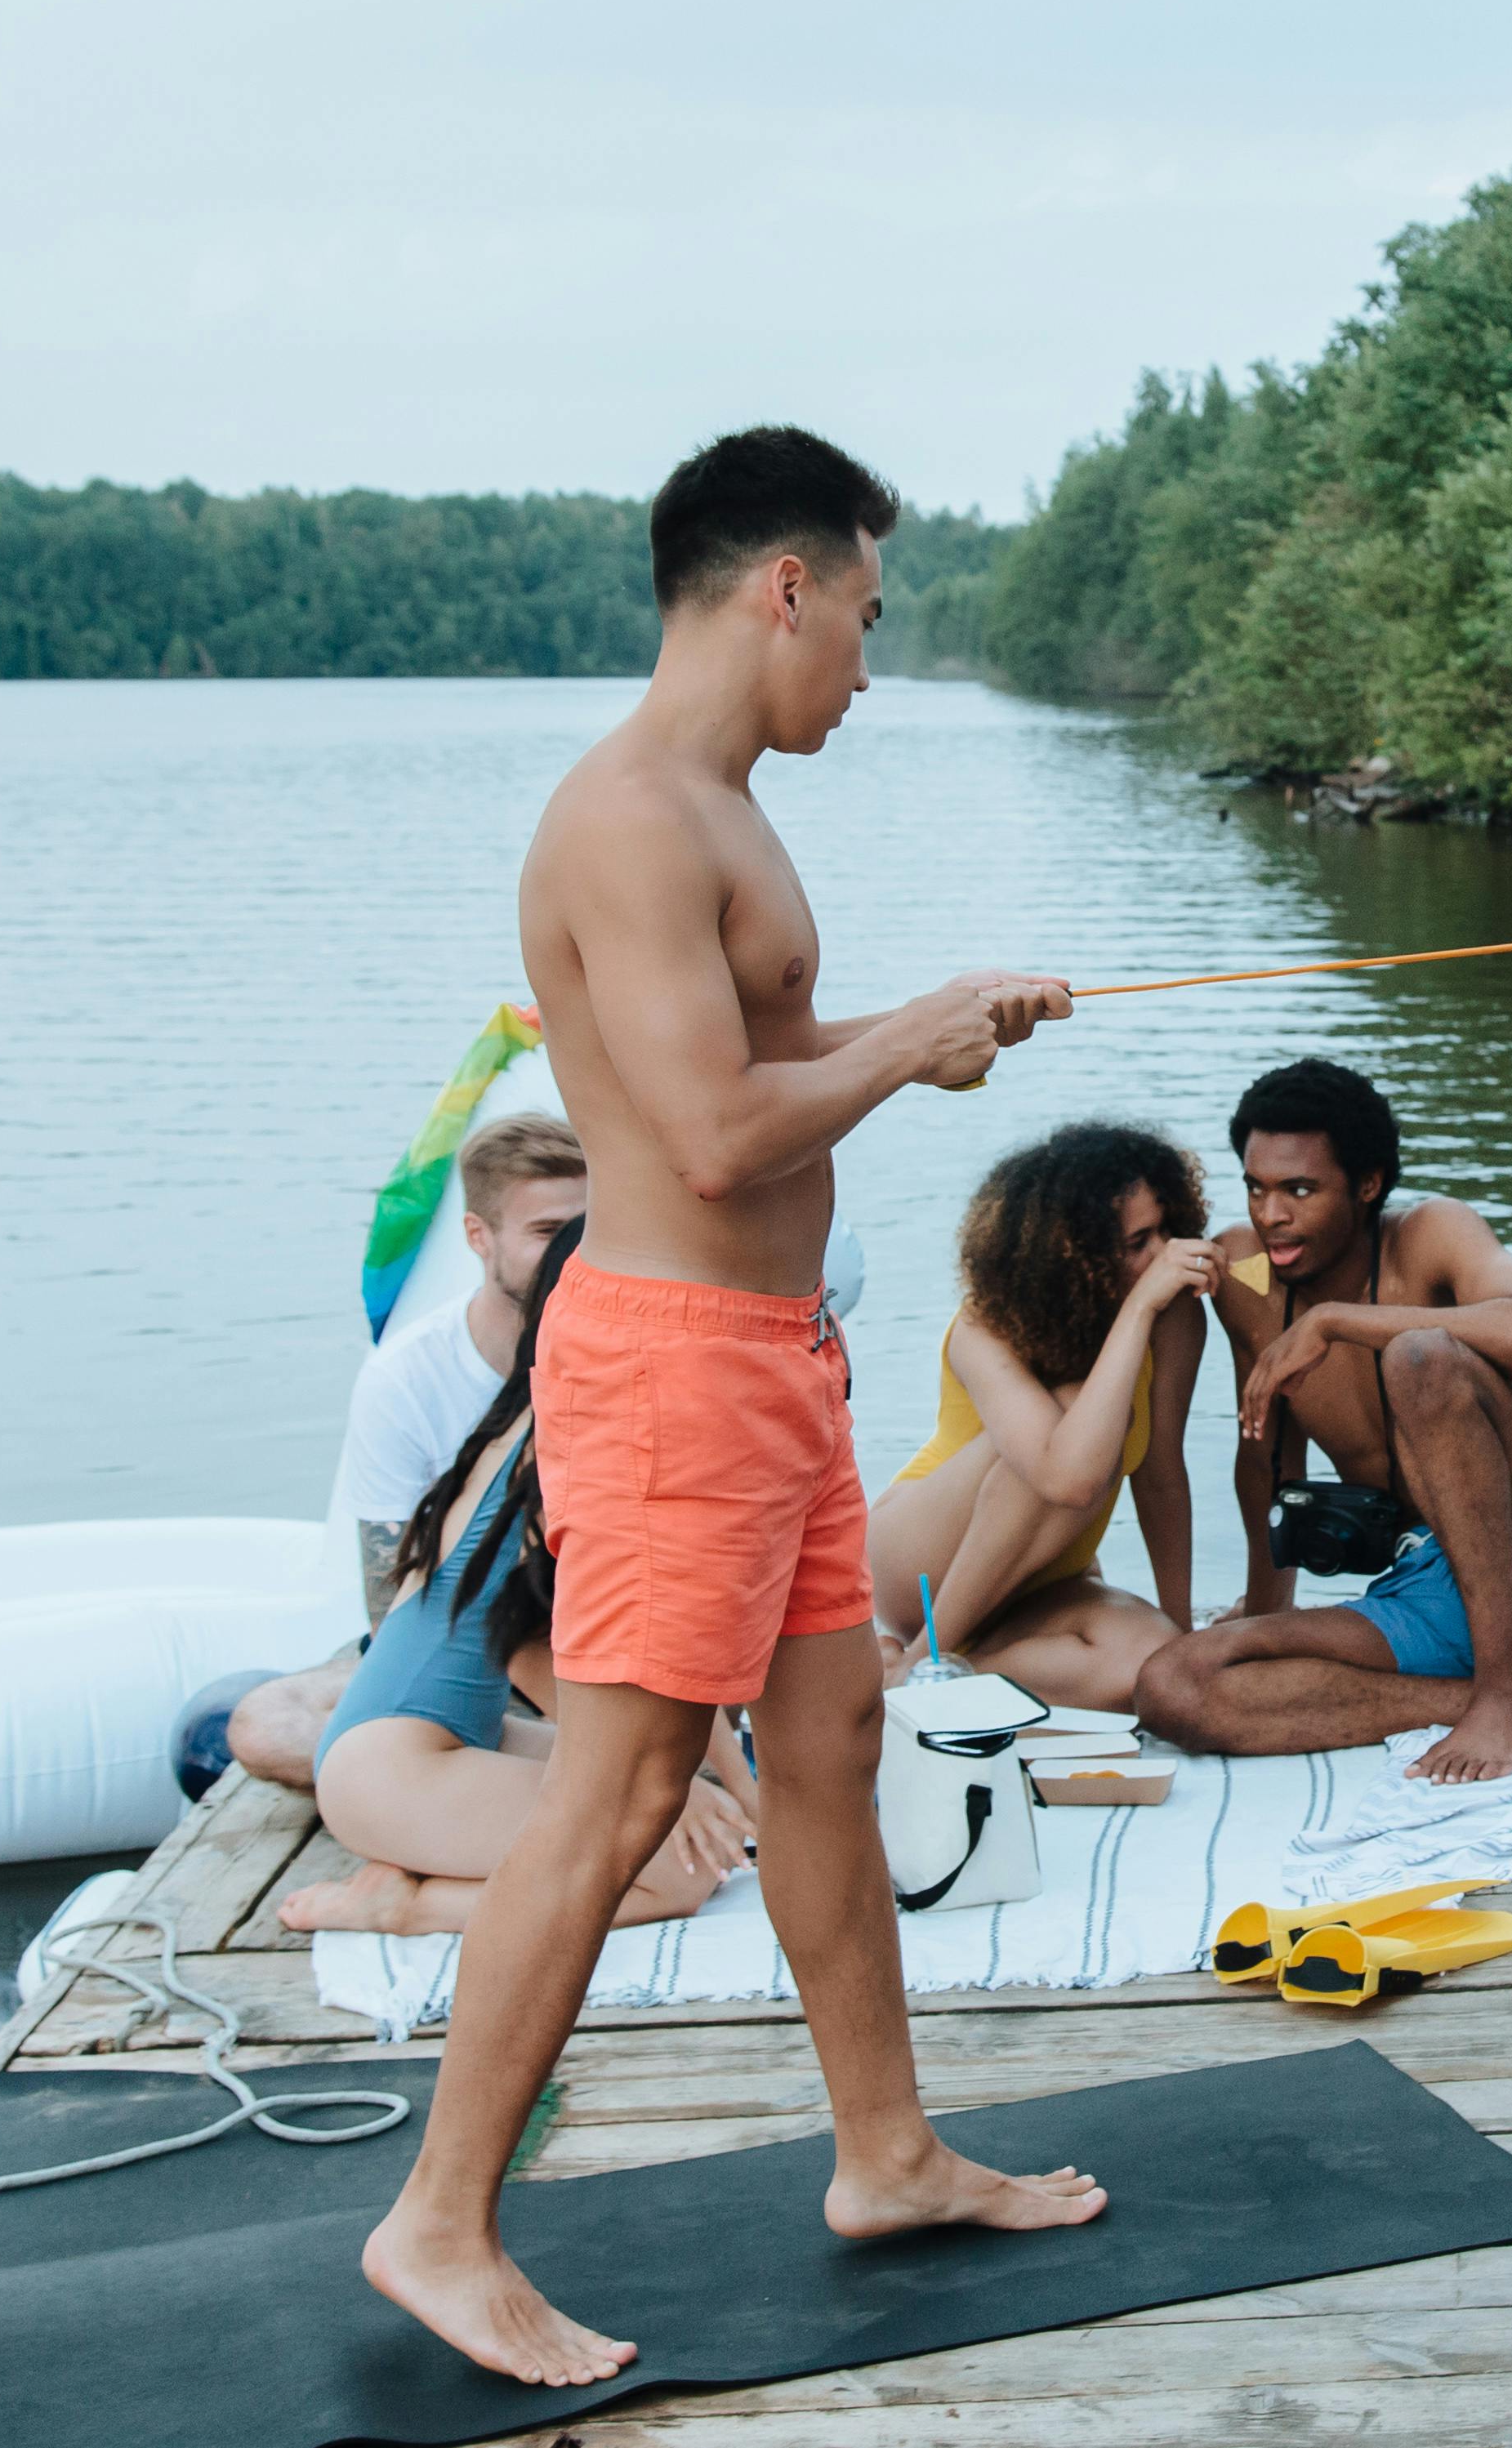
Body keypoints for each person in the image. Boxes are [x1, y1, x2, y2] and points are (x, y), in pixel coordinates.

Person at [360, 425, 1100, 2387]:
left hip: (772, 1364)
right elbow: (696, 1126)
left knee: (837, 1736)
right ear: (785, 586)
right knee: (608, 1799)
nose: (869, 658)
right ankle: (439, 2219)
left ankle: (889, 2149)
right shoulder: (627, 819)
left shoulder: (726, 802)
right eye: (865, 613)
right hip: (677, 1372)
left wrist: (936, 1021)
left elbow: (767, 1050)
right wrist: (906, 1048)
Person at [1131, 1059, 1512, 1784]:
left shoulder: (1435, 1233)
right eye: (1257, 1187)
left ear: (1367, 1184)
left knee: (1420, 1358)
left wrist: (1339, 1320)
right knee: (1173, 1685)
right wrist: (1263, 1614)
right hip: (1426, 1590)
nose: (1270, 1214)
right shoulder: (1248, 1275)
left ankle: (1506, 1694)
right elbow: (1264, 1455)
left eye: (1300, 1189)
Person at [275, 1230, 756, 1937]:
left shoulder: (530, 1412)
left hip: (435, 1737)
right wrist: (647, 1787)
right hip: (394, 1767)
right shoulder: (568, 1448)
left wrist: (743, 1792)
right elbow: (528, 1646)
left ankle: (427, 1867)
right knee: (678, 1869)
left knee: (705, 1816)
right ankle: (406, 1905)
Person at [222, 1114, 587, 1792]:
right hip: (464, 1650)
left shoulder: (621, 1352)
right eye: (547, 1233)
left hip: (591, 1650)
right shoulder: (407, 1377)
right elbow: (390, 1601)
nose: (574, 1252)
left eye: (587, 1229)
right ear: (478, 1237)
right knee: (264, 1724)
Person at [870, 1122, 1215, 1713]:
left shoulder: (1175, 1318)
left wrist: (1181, 1630)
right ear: (1071, 1256)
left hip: (1039, 1581)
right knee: (1075, 1422)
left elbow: (1160, 1477)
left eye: (1164, 1230)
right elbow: (1067, 1477)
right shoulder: (985, 1325)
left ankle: (924, 1674)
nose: (1162, 1255)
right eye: (1137, 1243)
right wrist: (1136, 1309)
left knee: (1149, 1662)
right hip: (924, 1564)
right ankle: (923, 1663)